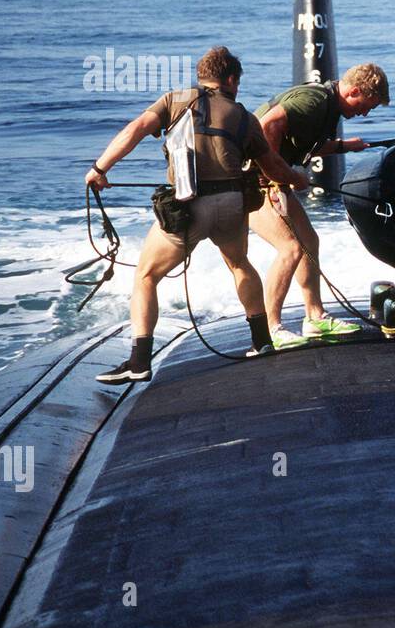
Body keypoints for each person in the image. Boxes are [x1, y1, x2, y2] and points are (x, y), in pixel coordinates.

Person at [85, 46, 309, 384]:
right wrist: (298, 179)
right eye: (238, 81)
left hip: (189, 207)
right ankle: (261, 342)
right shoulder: (244, 116)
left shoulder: (174, 101)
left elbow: (134, 131)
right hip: (233, 205)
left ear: (203, 75)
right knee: (239, 264)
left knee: (146, 275)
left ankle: (138, 361)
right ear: (231, 79)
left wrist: (99, 169)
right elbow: (274, 166)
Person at [251, 63, 389, 348]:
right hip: (250, 182)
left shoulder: (327, 107)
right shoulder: (314, 102)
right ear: (353, 91)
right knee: (290, 248)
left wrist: (344, 146)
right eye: (366, 106)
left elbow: (305, 143)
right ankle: (270, 328)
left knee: (309, 242)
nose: (365, 113)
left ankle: (314, 316)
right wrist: (274, 178)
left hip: (271, 178)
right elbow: (268, 126)